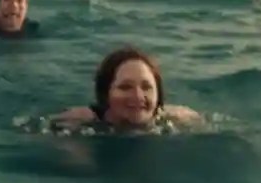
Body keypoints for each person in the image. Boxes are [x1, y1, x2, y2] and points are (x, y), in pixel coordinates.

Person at [54, 46, 201, 129]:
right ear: (105, 94)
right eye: (125, 87)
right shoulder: (83, 123)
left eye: (146, 87)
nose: (138, 96)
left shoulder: (175, 120)